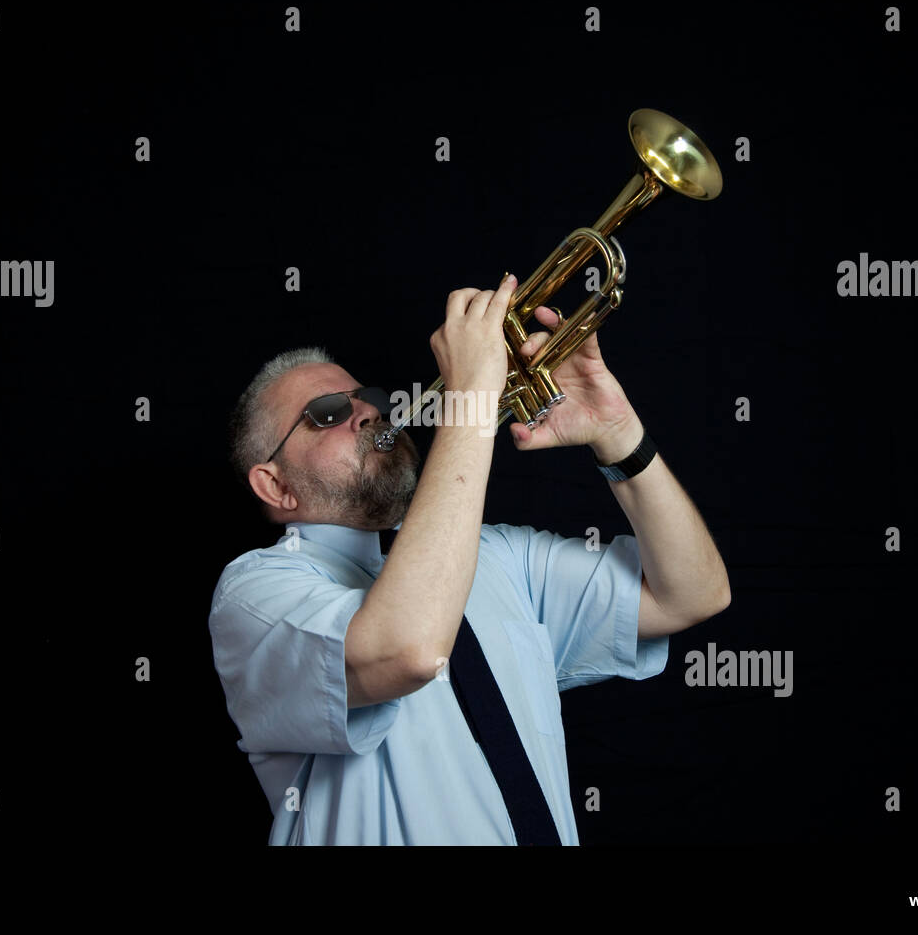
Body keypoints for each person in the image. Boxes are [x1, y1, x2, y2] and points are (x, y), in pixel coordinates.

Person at [208, 273, 731, 844]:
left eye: (372, 399)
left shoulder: (498, 554)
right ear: (275, 485)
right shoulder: (256, 595)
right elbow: (408, 650)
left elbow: (693, 594)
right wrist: (472, 402)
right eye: (328, 412)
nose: (370, 413)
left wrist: (618, 433)